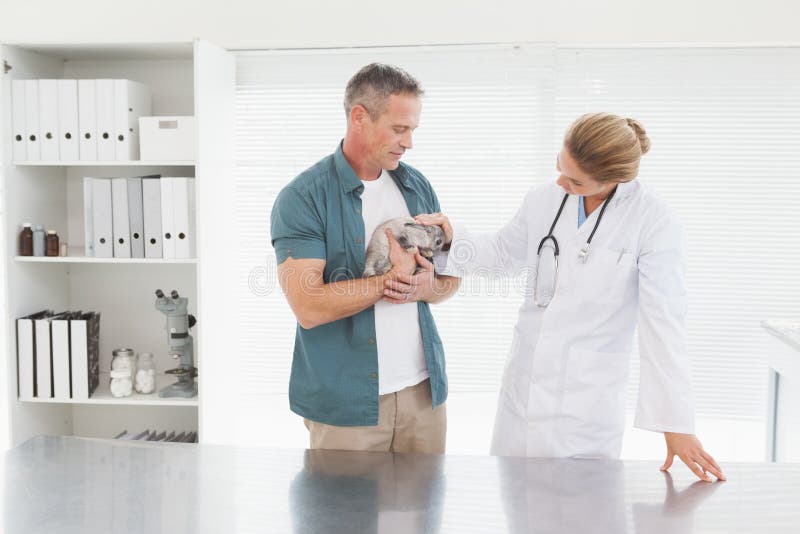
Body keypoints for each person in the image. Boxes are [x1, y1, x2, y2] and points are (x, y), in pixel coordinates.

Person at [412, 112, 725, 481]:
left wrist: (676, 425)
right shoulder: (544, 199)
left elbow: (663, 322)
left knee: (579, 512)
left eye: (574, 180)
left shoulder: (653, 220)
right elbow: (501, 254)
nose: (560, 181)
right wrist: (452, 239)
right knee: (514, 505)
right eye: (559, 165)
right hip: (524, 392)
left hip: (586, 405)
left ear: (613, 180)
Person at [270, 63, 460, 454]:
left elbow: (447, 281)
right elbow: (308, 306)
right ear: (359, 117)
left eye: (412, 130)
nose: (408, 143)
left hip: (423, 395)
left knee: (423, 514)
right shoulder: (304, 198)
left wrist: (428, 286)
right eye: (398, 129)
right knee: (344, 516)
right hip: (346, 403)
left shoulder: (416, 185)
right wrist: (387, 282)